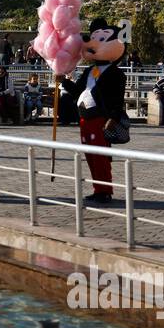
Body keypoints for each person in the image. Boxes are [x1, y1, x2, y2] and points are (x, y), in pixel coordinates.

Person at [59, 19, 127, 204]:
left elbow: (117, 98)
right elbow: (77, 90)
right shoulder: (90, 70)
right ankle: (98, 188)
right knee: (90, 155)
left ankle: (105, 190)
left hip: (100, 119)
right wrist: (63, 80)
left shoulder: (116, 74)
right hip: (85, 119)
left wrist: (113, 117)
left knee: (101, 156)